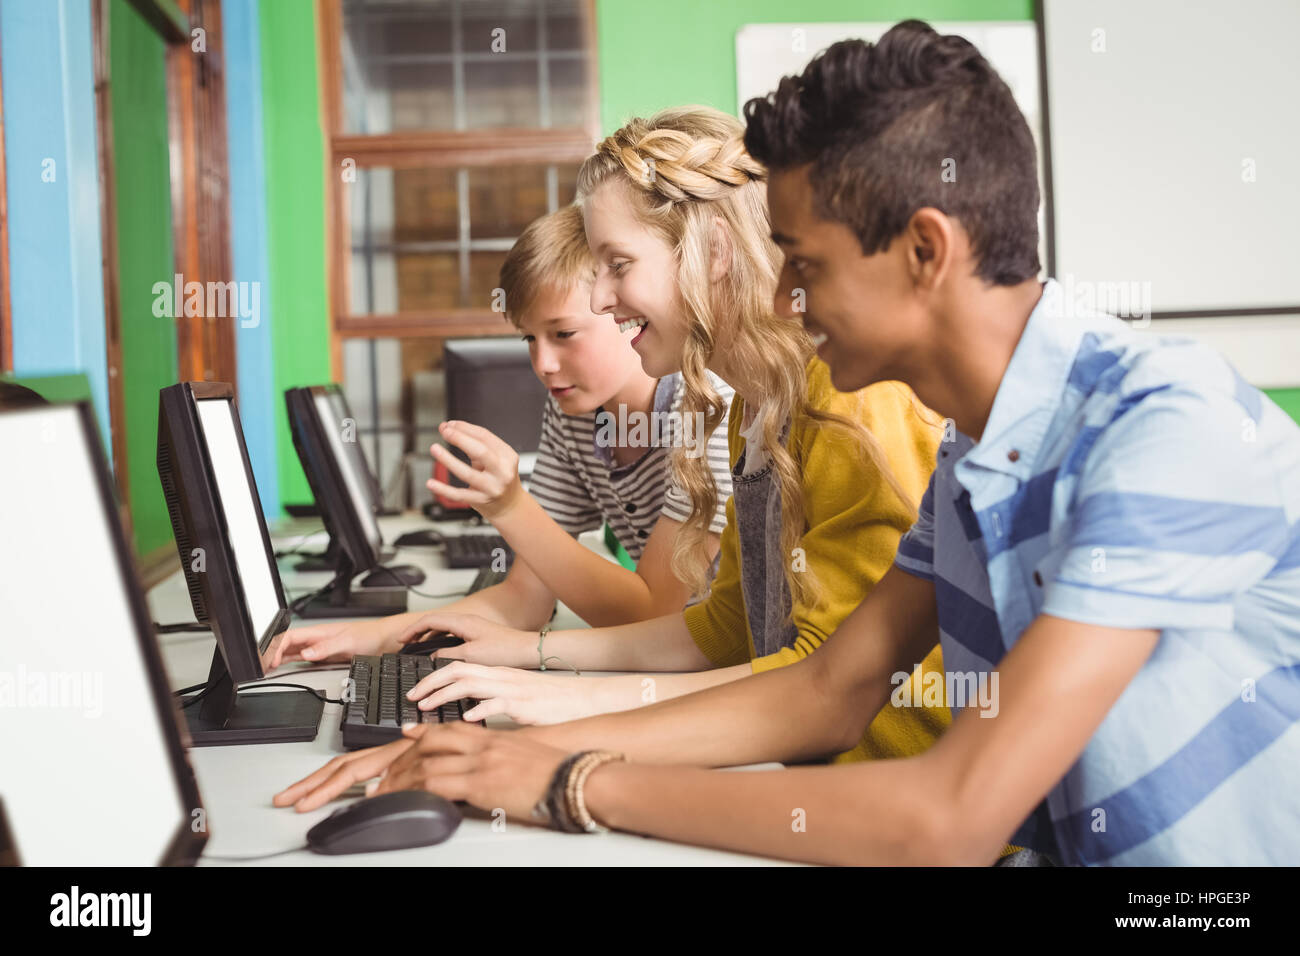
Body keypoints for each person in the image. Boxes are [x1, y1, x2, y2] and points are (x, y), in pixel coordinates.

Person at [307, 23, 1300, 866]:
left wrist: (571, 778)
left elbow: (948, 816)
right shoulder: (975, 445)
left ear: (923, 250)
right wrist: (504, 748)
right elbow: (830, 689)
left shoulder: (1164, 430)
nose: (784, 296)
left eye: (806, 263)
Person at [278, 104, 959, 782]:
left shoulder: (852, 395)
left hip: (896, 800)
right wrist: (534, 658)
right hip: (816, 784)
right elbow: (722, 632)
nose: (600, 299)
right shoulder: (752, 407)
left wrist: (564, 703)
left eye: (617, 263)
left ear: (714, 253)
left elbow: (823, 685)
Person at [265, 204, 735, 669]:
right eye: (529, 338)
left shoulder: (706, 409)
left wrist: (511, 507)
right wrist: (371, 634)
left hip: (729, 673)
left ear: (624, 309)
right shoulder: (574, 412)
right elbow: (524, 601)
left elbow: (652, 613)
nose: (543, 365)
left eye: (564, 333)